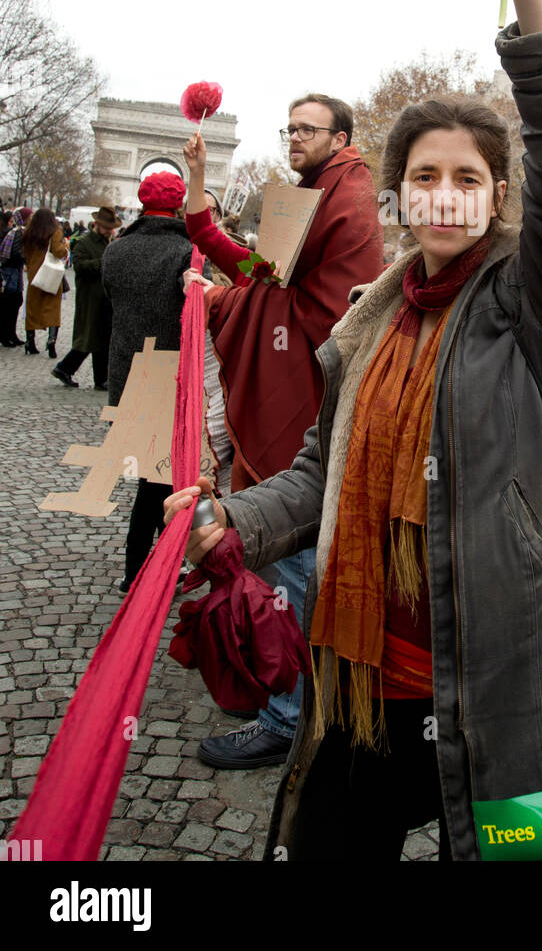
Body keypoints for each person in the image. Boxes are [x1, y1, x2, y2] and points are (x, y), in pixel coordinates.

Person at [164, 0, 542, 863]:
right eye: (426, 175)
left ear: (496, 197)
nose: (445, 192)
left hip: (504, 687)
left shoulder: (525, 304)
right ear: (399, 194)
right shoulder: (366, 320)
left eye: (469, 176)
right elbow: (321, 472)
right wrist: (232, 521)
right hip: (363, 682)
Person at [183, 96, 383, 766]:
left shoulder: (344, 192)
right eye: (289, 127)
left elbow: (269, 280)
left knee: (293, 558)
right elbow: (261, 273)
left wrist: (223, 296)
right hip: (297, 383)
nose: (293, 136)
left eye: (307, 128)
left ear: (342, 137)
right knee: (285, 552)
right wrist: (201, 194)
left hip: (308, 393)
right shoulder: (312, 193)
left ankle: (287, 715)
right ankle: (272, 686)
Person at [102, 172, 201, 593]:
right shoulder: (187, 252)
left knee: (154, 476)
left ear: (141, 204)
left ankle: (151, 565)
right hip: (169, 376)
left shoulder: (116, 251)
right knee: (159, 479)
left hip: (127, 376)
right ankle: (142, 570)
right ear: (180, 205)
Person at [51, 205, 120, 389]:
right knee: (88, 337)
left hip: (104, 298)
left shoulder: (108, 242)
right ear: (97, 225)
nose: (108, 231)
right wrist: (103, 263)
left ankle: (100, 379)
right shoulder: (84, 242)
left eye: (110, 228)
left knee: (102, 338)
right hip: (89, 297)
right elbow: (80, 266)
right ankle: (64, 368)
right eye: (106, 227)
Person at [21, 208, 69, 356]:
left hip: (34, 276)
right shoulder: (55, 232)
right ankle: (51, 341)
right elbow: (58, 251)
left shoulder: (29, 233)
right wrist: (66, 246)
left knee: (32, 308)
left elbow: (25, 253)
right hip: (51, 275)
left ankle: (30, 341)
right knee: (52, 308)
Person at [0, 207, 33, 346]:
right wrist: (27, 259)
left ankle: (11, 334)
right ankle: (5, 335)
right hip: (10, 272)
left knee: (15, 303)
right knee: (9, 304)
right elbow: (14, 253)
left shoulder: (21, 232)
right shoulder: (17, 233)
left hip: (15, 272)